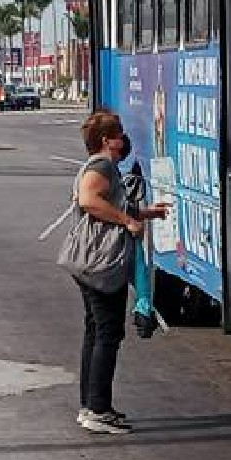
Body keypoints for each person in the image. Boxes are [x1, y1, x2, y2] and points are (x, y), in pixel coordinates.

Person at [74, 110, 169, 434]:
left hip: (92, 262)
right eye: (119, 134)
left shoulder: (103, 166)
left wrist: (143, 213)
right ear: (107, 140)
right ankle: (97, 409)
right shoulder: (101, 166)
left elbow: (108, 204)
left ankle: (91, 405)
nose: (123, 139)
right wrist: (128, 221)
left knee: (96, 332)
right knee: (107, 334)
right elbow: (88, 200)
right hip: (103, 263)